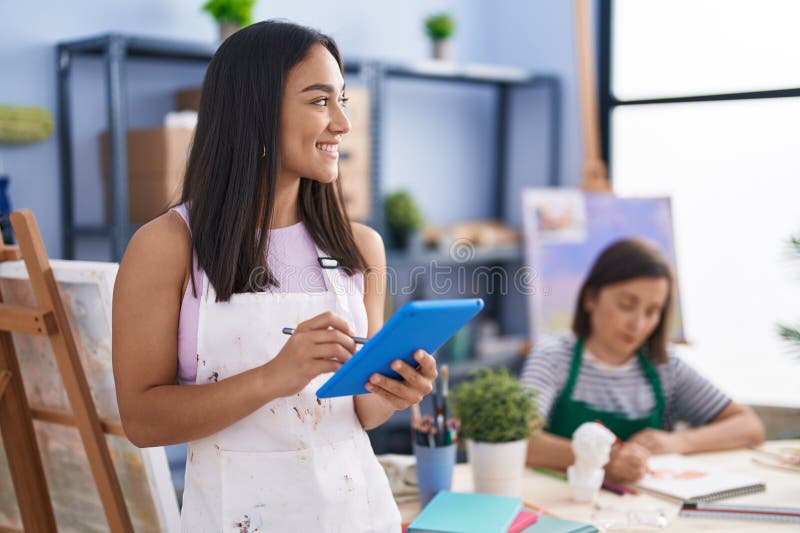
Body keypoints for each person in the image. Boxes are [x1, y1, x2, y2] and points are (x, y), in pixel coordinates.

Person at [112, 20, 436, 532]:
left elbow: (362, 412)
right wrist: (274, 377)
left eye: (343, 99)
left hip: (357, 515)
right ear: (255, 111)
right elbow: (143, 420)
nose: (343, 123)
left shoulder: (359, 247)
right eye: (320, 101)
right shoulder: (167, 246)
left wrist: (398, 390)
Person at [522, 239, 764, 483]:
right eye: (626, 305)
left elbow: (750, 426)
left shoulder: (666, 367)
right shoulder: (553, 357)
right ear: (591, 298)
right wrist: (602, 459)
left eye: (652, 312)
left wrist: (679, 441)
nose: (637, 325)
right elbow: (522, 440)